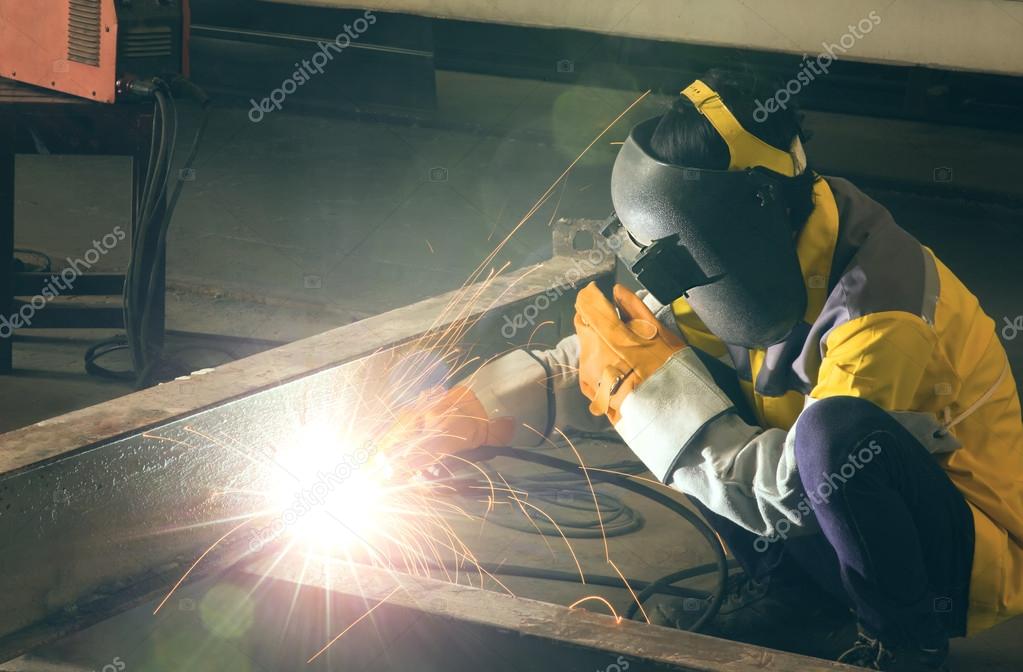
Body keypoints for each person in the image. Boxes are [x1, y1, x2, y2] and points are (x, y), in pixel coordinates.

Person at [385, 70, 1023, 671]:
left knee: (829, 434)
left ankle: (904, 645)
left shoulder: (880, 308)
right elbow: (610, 358)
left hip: (954, 554)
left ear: (740, 220)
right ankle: (800, 600)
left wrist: (651, 397)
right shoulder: (746, 259)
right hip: (838, 530)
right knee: (677, 370)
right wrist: (469, 415)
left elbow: (800, 492)